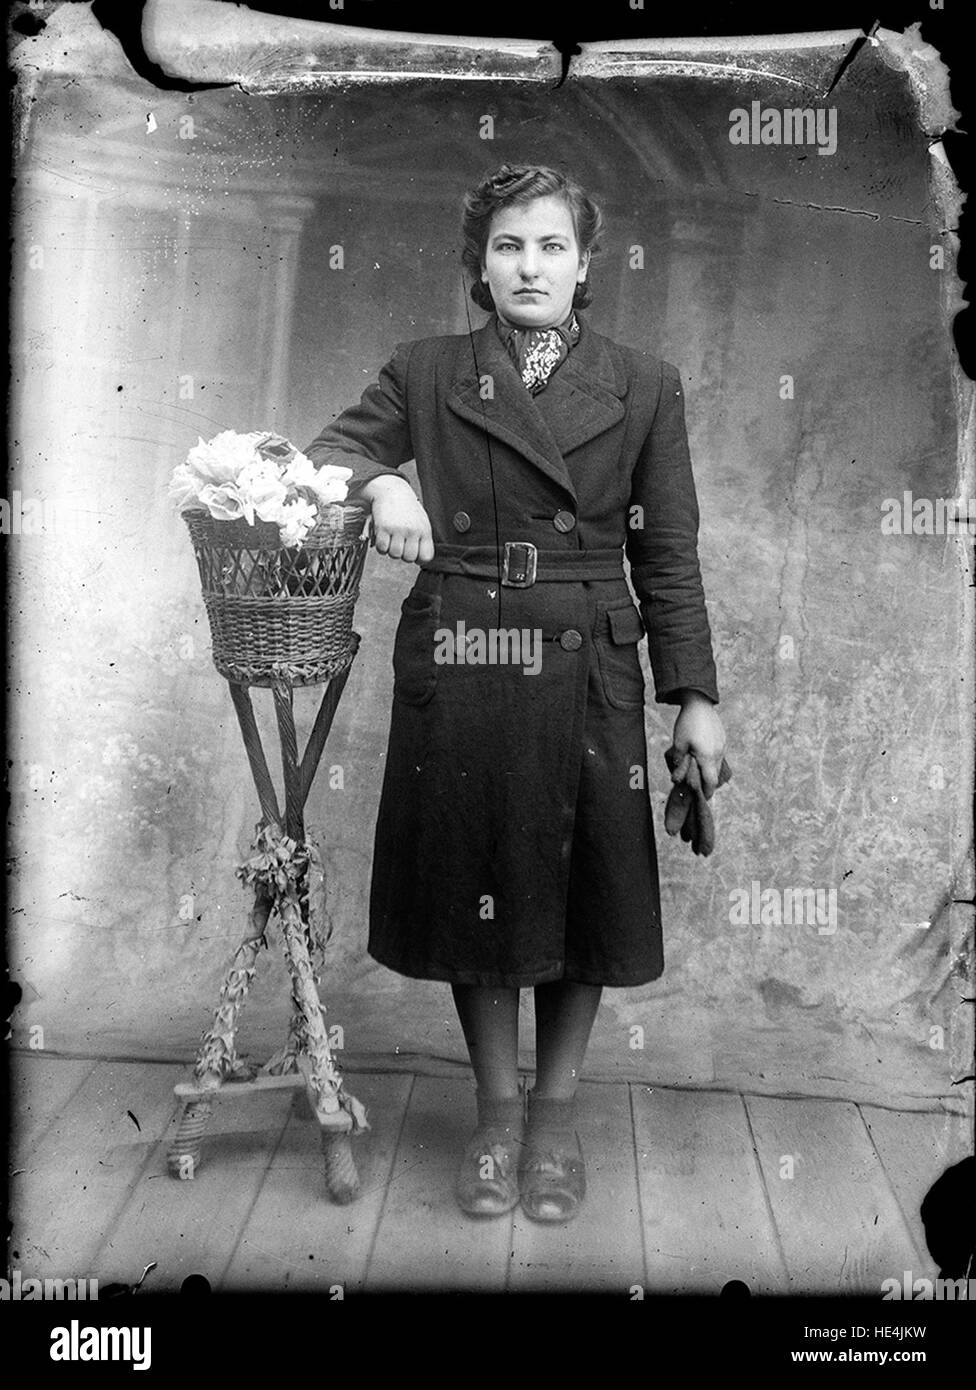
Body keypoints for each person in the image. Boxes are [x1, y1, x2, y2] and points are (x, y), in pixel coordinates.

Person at [306, 163, 727, 1223]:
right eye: (507, 246)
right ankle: (496, 1117)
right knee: (476, 871)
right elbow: (325, 455)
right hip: (464, 647)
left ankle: (555, 1120)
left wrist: (694, 695)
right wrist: (385, 481)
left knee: (586, 883)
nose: (529, 266)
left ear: (585, 266)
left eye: (550, 246)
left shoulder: (646, 383)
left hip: (590, 655)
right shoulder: (426, 369)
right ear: (480, 266)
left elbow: (667, 553)